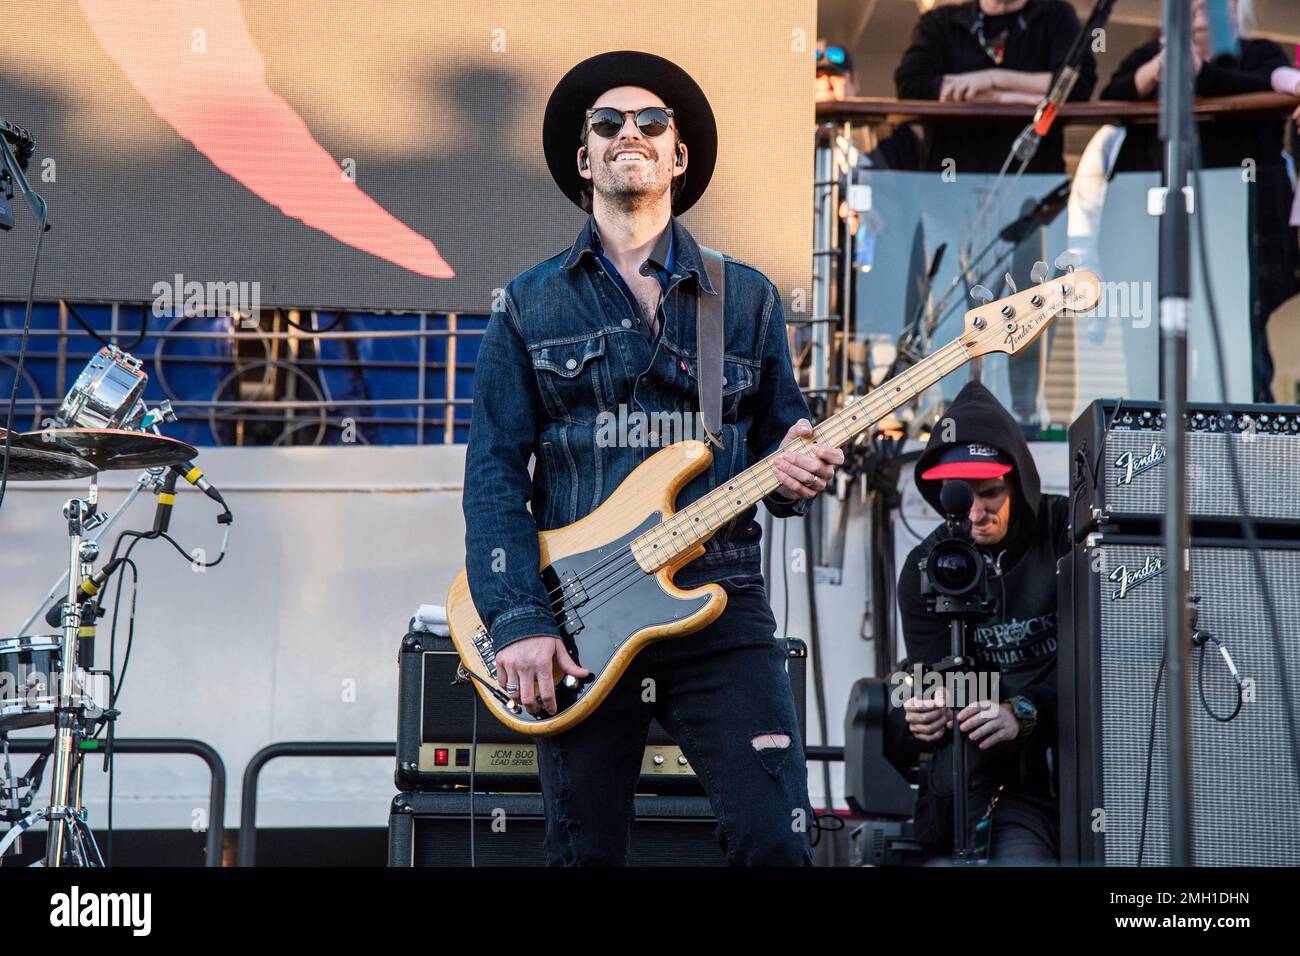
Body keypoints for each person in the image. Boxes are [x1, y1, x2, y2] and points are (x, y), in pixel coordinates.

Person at [461, 50, 844, 866]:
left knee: (776, 842)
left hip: (721, 604)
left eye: (650, 122)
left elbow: (786, 446)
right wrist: (520, 620)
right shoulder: (528, 304)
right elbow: (494, 476)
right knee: (584, 852)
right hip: (579, 616)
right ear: (584, 158)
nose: (626, 133)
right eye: (606, 123)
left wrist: (801, 473)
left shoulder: (747, 298)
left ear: (677, 154)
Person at [887, 380, 1069, 864]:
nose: (977, 514)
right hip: (1006, 788)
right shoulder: (928, 568)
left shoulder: (1069, 531)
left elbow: (1108, 659)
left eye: (991, 495)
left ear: (1018, 483)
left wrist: (1023, 713)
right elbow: (927, 675)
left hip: (1102, 761)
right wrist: (924, 708)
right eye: (963, 499)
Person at [1100, 0, 1296, 402]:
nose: (1200, 8)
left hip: (1239, 234)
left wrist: (1200, 73)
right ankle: (1150, 443)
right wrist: (1159, 68)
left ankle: (1247, 444)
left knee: (1235, 348)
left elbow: (1260, 87)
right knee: (1149, 351)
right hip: (1153, 232)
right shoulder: (1148, 54)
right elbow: (1112, 96)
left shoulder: (1259, 54)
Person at [894, 0, 1097, 174]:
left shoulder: (1055, 17)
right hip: (951, 183)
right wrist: (1014, 97)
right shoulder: (941, 22)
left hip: (1032, 189)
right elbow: (911, 85)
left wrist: (994, 80)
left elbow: (1078, 84)